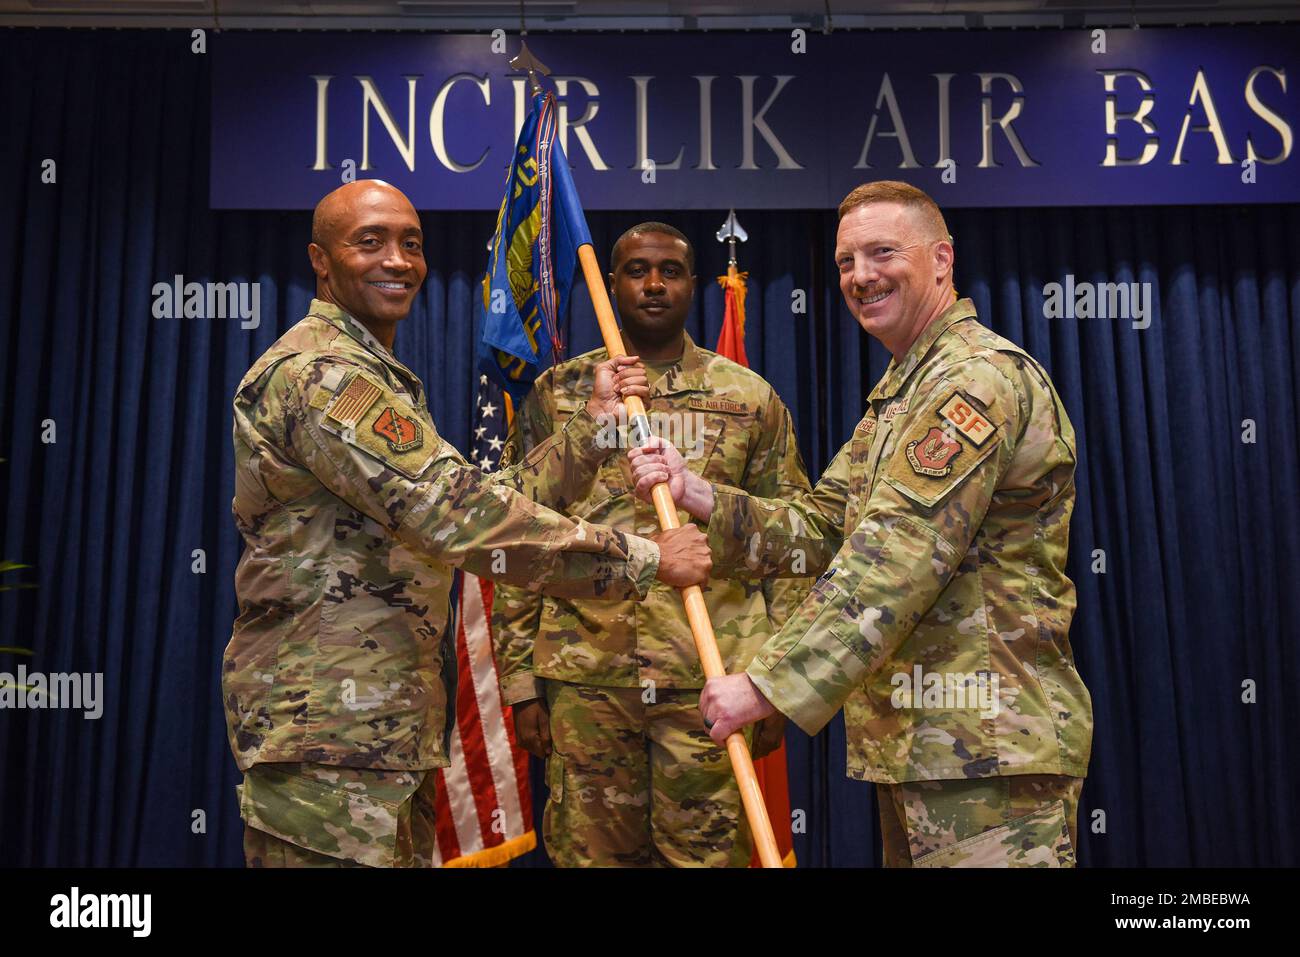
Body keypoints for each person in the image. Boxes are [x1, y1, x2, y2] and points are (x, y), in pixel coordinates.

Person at [224, 180, 712, 868]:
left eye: (411, 243)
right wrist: (644, 557)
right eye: (371, 242)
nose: (398, 259)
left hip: (375, 733)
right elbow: (459, 518)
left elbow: (473, 497)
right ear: (321, 260)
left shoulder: (373, 373)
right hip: (330, 740)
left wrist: (594, 431)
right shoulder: (324, 376)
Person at [629, 181, 1093, 867]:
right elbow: (820, 527)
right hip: (922, 747)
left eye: (882, 253)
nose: (861, 276)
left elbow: (896, 559)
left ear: (942, 259)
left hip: (990, 753)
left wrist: (764, 684)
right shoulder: (901, 395)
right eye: (847, 261)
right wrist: (698, 493)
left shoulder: (972, 380)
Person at [493, 222, 812, 866]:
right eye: (637, 270)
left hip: (710, 680)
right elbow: (518, 533)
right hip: (587, 679)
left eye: (671, 270)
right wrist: (521, 681)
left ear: (695, 284)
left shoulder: (749, 398)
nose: (655, 284)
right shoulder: (561, 395)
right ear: (611, 285)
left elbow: (791, 541)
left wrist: (780, 679)